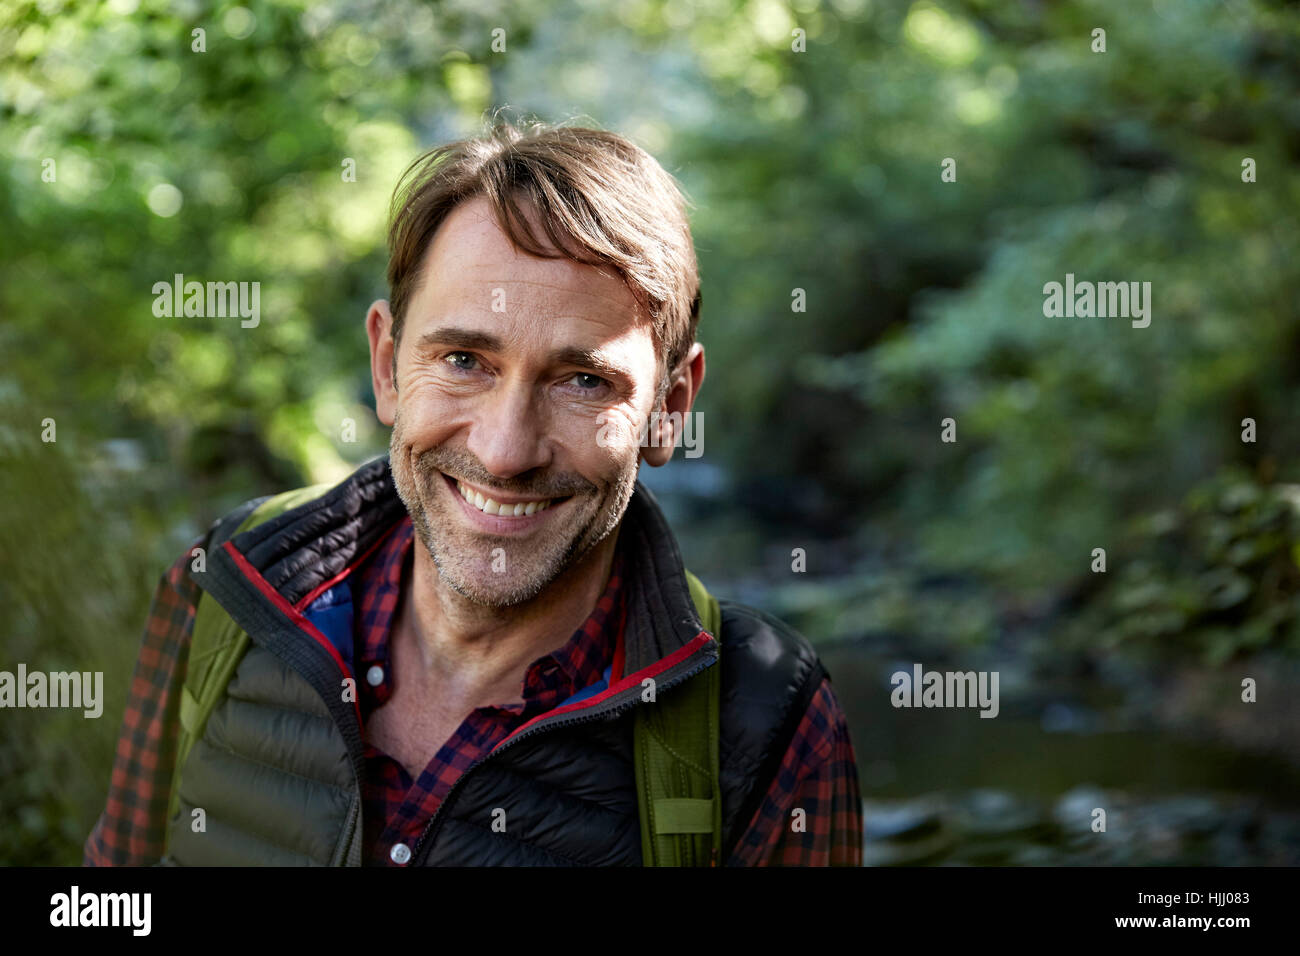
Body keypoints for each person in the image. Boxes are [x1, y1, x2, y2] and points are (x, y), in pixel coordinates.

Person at [84, 120, 862, 866]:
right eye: (463, 361)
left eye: (583, 380)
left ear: (669, 409)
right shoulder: (223, 586)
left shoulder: (770, 724)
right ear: (387, 365)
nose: (504, 450)